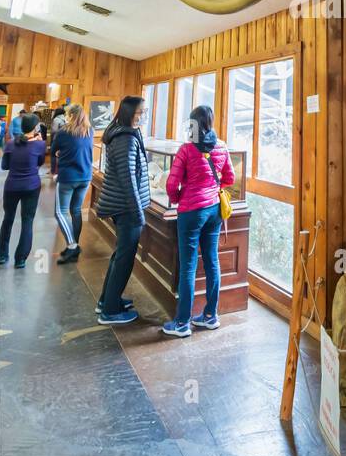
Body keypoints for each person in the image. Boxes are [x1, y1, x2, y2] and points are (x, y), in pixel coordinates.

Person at [161, 105, 233, 338]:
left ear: (192, 124)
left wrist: (178, 198)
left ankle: (183, 322)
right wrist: (214, 189)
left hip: (191, 212)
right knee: (212, 261)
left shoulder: (186, 149)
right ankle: (211, 315)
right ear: (211, 122)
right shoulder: (221, 146)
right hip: (213, 211)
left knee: (188, 267)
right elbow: (229, 177)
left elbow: (171, 185)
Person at [95, 97, 151, 325]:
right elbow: (128, 179)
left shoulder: (125, 133)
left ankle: (108, 300)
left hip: (124, 205)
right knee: (124, 258)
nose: (144, 115)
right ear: (131, 113)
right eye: (142, 111)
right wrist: (138, 213)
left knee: (120, 255)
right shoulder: (126, 138)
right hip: (126, 207)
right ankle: (110, 312)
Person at [0, 114, 45, 268]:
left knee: (8, 219)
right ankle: (21, 258)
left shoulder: (10, 144)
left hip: (12, 185)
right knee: (27, 221)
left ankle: (2, 255)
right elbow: (40, 162)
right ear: (36, 128)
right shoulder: (40, 145)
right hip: (31, 185)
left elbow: (4, 166)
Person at [51, 104, 94, 264]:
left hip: (68, 177)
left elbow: (54, 150)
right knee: (76, 211)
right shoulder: (90, 131)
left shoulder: (63, 132)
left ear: (70, 115)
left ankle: (72, 245)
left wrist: (59, 156)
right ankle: (73, 248)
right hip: (85, 177)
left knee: (60, 212)